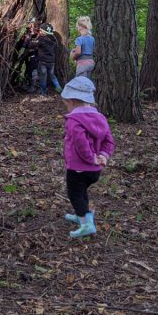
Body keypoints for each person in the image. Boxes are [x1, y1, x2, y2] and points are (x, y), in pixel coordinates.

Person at [59, 77, 114, 238]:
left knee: (75, 194)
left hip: (78, 168)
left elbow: (81, 145)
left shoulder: (73, 121)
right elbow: (109, 140)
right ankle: (82, 214)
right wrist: (103, 155)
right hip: (94, 170)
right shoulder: (100, 118)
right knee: (82, 192)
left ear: (70, 101)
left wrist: (91, 158)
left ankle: (86, 224)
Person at [28, 23, 61, 96]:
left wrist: (29, 37)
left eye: (40, 31)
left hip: (43, 62)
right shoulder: (53, 40)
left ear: (43, 32)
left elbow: (31, 45)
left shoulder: (41, 39)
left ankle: (43, 93)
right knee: (52, 76)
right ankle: (59, 89)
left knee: (43, 77)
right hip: (52, 62)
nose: (39, 32)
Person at [17, 18, 40, 93]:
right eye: (30, 23)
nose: (30, 25)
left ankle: (33, 87)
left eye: (31, 23)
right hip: (27, 55)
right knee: (28, 70)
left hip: (35, 55)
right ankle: (29, 85)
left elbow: (39, 45)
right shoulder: (28, 33)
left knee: (33, 70)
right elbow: (23, 43)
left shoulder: (39, 34)